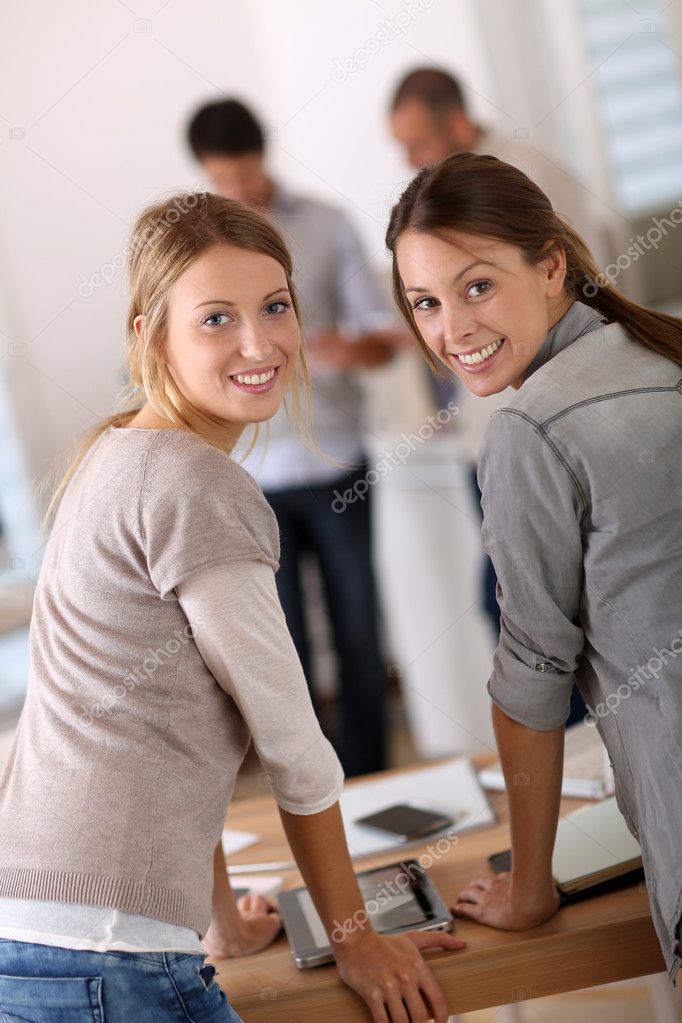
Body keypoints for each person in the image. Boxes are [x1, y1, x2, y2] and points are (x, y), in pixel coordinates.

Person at [0, 191, 464, 1021]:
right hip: (114, 954)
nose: (261, 342)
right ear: (149, 333)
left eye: (276, 306)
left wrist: (222, 922)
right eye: (216, 318)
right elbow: (295, 747)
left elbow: (163, 726)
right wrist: (355, 937)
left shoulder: (113, 454)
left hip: (31, 932)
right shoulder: (198, 483)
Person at [386, 152, 682, 981]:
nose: (453, 330)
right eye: (425, 303)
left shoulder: (532, 429)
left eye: (478, 286)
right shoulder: (660, 353)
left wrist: (529, 888)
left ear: (551, 264)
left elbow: (533, 675)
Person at [187, 99, 405, 776]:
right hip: (250, 481)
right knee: (280, 652)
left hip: (337, 460)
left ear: (264, 154)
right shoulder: (197, 251)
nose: (240, 189)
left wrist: (339, 348)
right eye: (222, 177)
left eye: (245, 170)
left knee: (360, 635)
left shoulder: (326, 224)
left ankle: (368, 779)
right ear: (203, 171)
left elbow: (385, 342)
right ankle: (316, 786)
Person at [389, 69, 607, 725]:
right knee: (513, 612)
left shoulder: (521, 179)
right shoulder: (444, 203)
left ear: (457, 121)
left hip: (541, 425)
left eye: (417, 140)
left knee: (530, 619)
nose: (409, 160)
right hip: (486, 437)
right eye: (426, 303)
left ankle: (576, 756)